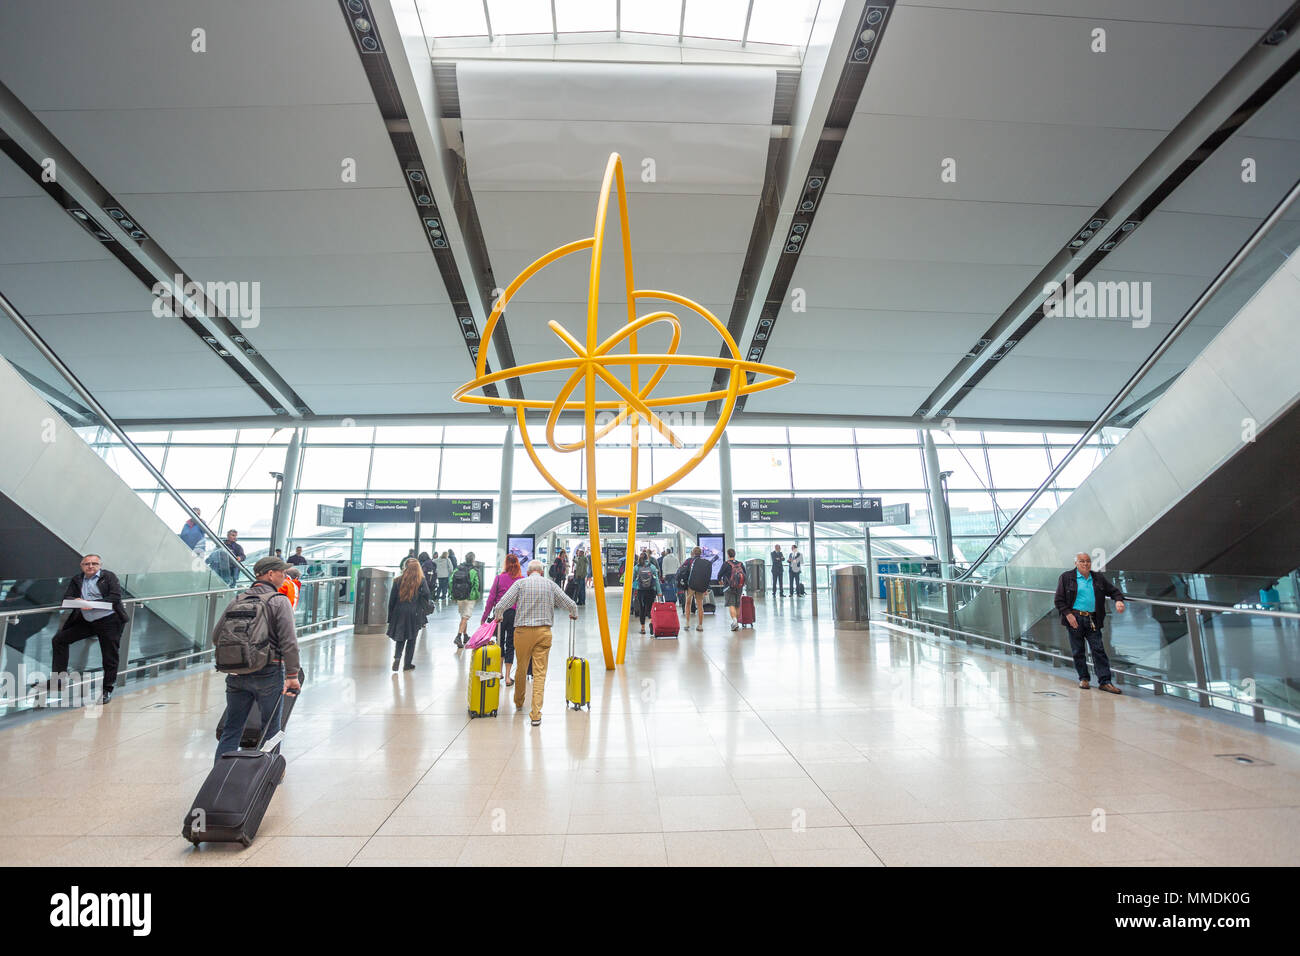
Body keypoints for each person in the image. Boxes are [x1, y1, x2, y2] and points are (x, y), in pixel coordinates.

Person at [214, 557, 301, 760]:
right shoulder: (279, 601)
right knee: (271, 728)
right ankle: (268, 772)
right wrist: (292, 674)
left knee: (232, 727)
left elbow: (216, 636)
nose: (285, 576)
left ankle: (220, 771)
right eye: (283, 572)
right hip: (269, 671)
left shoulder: (238, 599)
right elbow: (289, 641)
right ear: (270, 574)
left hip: (237, 672)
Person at [491, 559, 578, 726]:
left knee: (521, 667)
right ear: (542, 572)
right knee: (540, 673)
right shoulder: (550, 585)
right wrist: (573, 613)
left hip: (522, 632)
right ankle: (536, 714)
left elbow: (501, 605)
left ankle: (518, 701)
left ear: (529, 572)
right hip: (543, 632)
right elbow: (569, 603)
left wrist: (499, 616)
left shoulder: (520, 584)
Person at [46, 554, 129, 705]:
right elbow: (67, 597)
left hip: (109, 621)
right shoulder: (77, 579)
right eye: (86, 564)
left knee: (109, 656)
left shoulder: (108, 577)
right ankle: (58, 681)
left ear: (99, 565)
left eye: (94, 564)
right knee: (59, 640)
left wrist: (91, 603)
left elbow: (115, 597)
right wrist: (75, 600)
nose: (90, 566)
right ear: (81, 566)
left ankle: (107, 690)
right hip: (87, 621)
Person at [1054, 552, 1127, 694]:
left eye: (1087, 561)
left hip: (1093, 619)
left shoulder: (1097, 578)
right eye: (1082, 561)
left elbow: (1114, 591)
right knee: (1078, 650)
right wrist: (1068, 615)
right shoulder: (1067, 577)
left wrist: (1118, 600)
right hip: (1075, 619)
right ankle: (1084, 678)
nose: (1085, 564)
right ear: (1076, 563)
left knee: (1098, 650)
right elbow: (1059, 600)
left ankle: (1105, 681)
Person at [482, 553, 525, 686]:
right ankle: (507, 677)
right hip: (514, 614)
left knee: (500, 643)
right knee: (511, 644)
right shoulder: (521, 580)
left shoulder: (499, 579)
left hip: (500, 614)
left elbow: (491, 599)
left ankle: (499, 672)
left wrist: (484, 617)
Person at [387, 557, 430, 672]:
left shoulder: (397, 580)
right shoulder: (421, 580)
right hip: (414, 613)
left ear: (405, 567)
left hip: (399, 611)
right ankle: (407, 664)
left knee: (400, 637)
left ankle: (397, 657)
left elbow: (392, 600)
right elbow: (427, 595)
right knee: (412, 638)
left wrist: (390, 616)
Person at [450, 551, 481, 647]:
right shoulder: (474, 571)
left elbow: (451, 582)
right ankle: (458, 637)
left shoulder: (457, 569)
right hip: (469, 597)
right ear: (473, 560)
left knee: (463, 617)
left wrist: (453, 594)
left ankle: (465, 635)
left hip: (459, 597)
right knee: (465, 617)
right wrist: (476, 595)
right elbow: (476, 585)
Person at [628, 552, 662, 634]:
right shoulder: (652, 567)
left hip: (640, 591)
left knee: (642, 608)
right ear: (647, 558)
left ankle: (643, 628)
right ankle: (651, 623)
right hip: (651, 590)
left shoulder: (636, 567)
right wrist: (659, 592)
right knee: (650, 608)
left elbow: (632, 579)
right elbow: (656, 580)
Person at [683, 546, 713, 632]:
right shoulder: (705, 562)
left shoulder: (689, 560)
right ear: (701, 553)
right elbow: (707, 576)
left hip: (691, 586)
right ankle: (700, 625)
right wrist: (706, 588)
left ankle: (687, 623)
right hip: (701, 585)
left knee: (688, 603)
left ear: (692, 553)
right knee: (700, 605)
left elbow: (683, 571)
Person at [719, 549, 746, 631]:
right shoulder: (740, 564)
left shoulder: (726, 564)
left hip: (729, 587)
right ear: (734, 554)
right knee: (737, 605)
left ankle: (734, 622)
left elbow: (719, 574)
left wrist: (720, 581)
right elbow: (745, 574)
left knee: (731, 604)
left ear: (728, 555)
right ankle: (736, 622)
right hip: (739, 587)